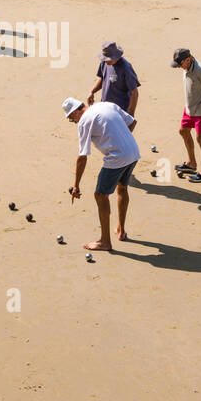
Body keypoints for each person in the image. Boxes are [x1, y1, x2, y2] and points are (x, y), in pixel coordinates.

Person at [65, 96, 140, 252]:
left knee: (100, 195)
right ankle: (121, 230)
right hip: (133, 151)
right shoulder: (107, 105)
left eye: (72, 119)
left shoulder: (84, 121)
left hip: (117, 157)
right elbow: (132, 122)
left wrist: (76, 185)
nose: (75, 123)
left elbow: (82, 157)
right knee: (122, 188)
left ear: (76, 113)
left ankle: (105, 241)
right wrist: (121, 141)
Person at [172, 47, 201, 182]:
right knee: (183, 131)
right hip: (190, 108)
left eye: (180, 64)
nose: (180, 67)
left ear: (188, 59)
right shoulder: (186, 67)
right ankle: (191, 163)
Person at [87, 41, 140, 116]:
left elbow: (134, 93)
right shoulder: (104, 62)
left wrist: (130, 114)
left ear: (116, 56)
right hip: (105, 108)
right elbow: (103, 78)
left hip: (120, 111)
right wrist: (92, 92)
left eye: (109, 59)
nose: (106, 61)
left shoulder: (126, 68)